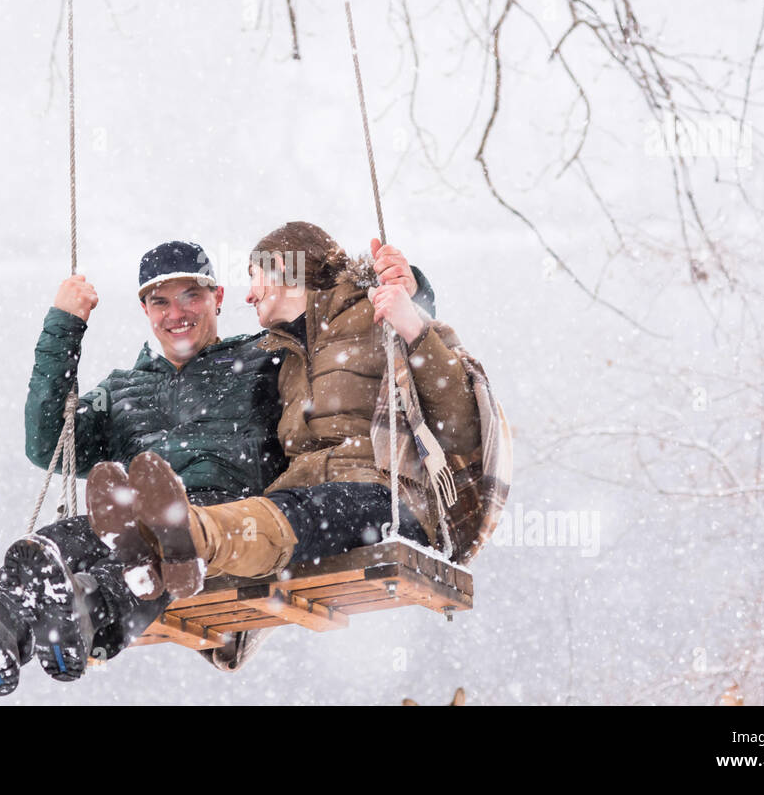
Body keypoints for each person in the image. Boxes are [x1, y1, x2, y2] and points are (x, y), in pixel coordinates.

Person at [0, 238, 432, 694]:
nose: (176, 313)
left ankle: (84, 618)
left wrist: (411, 293)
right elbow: (45, 442)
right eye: (159, 301)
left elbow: (352, 342)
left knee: (153, 544)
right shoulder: (121, 391)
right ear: (144, 310)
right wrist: (64, 325)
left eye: (191, 296)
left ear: (218, 299)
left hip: (222, 517)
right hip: (130, 511)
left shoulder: (263, 356)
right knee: (61, 539)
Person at [84, 222, 491, 598]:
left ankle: (184, 534)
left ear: (279, 267)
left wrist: (415, 309)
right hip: (299, 506)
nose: (247, 295)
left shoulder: (377, 315)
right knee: (289, 510)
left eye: (252, 276)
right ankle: (165, 546)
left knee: (305, 511)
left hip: (384, 501)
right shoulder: (278, 355)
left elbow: (459, 426)